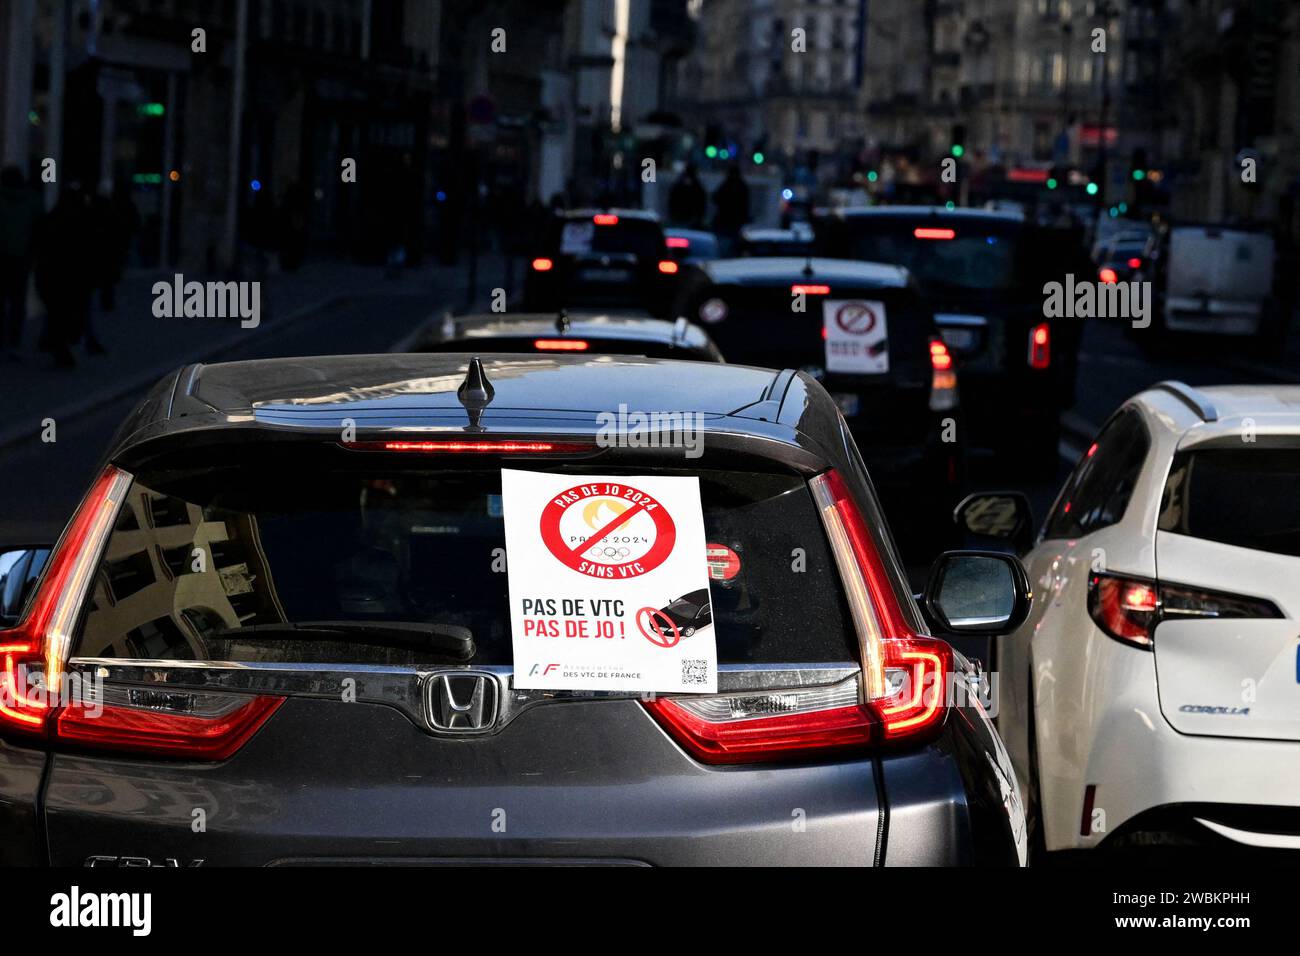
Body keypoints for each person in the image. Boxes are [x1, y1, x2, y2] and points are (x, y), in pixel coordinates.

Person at [33, 183, 97, 367]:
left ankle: (56, 344)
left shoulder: (50, 219)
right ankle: (61, 346)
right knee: (69, 313)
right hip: (72, 277)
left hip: (51, 275)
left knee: (56, 313)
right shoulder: (82, 222)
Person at [0, 166, 44, 359]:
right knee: (18, 301)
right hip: (22, 257)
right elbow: (40, 229)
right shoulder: (32, 200)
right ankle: (14, 341)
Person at [711, 163, 750, 253]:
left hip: (726, 220)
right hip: (733, 221)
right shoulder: (741, 186)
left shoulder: (727, 185)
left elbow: (715, 197)